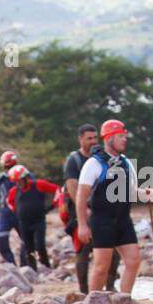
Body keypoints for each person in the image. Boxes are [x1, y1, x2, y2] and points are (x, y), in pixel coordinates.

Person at [74, 119, 151, 295]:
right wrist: (83, 225)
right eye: (120, 136)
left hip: (123, 220)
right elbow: (81, 196)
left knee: (133, 261)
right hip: (102, 221)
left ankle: (124, 299)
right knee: (102, 267)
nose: (125, 140)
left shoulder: (126, 163)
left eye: (124, 136)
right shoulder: (93, 164)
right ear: (108, 139)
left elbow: (132, 191)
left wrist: (143, 193)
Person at [64, 124, 118, 292]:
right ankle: (84, 290)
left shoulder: (103, 158)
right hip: (82, 212)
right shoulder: (74, 160)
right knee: (84, 250)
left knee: (113, 250)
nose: (93, 141)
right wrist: (84, 212)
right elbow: (72, 187)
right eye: (89, 138)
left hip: (102, 211)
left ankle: (110, 287)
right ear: (80, 139)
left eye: (95, 138)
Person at [5, 165, 61, 271]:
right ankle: (32, 270)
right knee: (28, 248)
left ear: (25, 178)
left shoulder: (38, 185)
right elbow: (9, 201)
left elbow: (57, 190)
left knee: (40, 245)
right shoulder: (14, 191)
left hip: (38, 221)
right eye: (16, 182)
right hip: (24, 223)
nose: (18, 184)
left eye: (19, 181)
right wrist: (15, 210)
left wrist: (53, 205)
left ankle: (46, 267)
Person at [0, 150, 23, 265]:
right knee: (1, 238)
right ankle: (11, 263)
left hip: (21, 212)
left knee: (26, 240)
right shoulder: (2, 178)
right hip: (5, 212)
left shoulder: (23, 175)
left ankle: (26, 264)